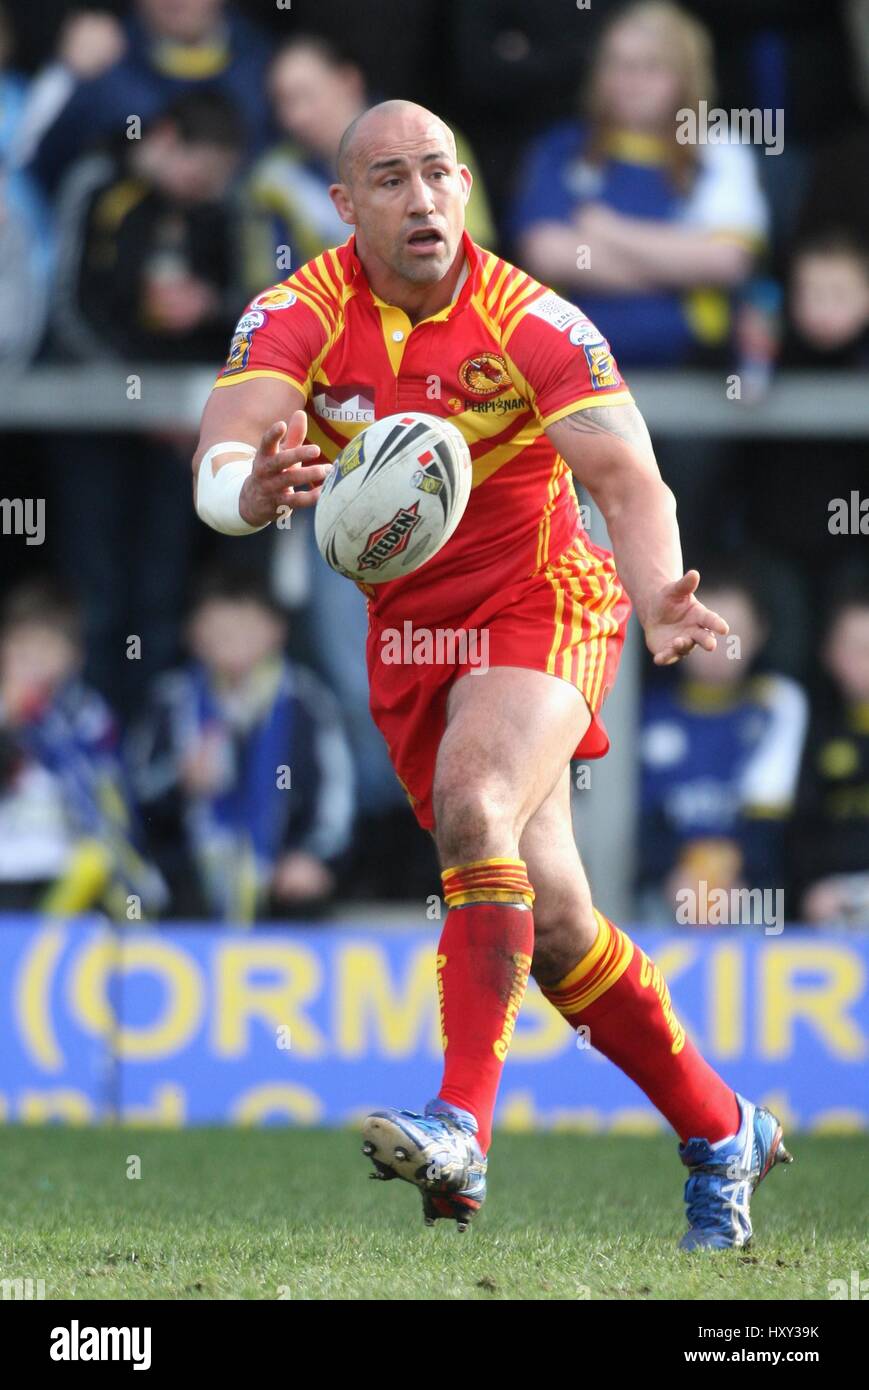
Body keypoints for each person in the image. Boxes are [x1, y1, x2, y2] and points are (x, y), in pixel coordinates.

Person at [191, 99, 792, 1249]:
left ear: (461, 186)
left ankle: (461, 1123)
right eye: (389, 180)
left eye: (437, 174)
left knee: (475, 802)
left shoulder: (531, 318)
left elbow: (628, 481)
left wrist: (658, 584)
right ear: (343, 205)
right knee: (555, 924)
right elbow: (227, 443)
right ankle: (724, 1130)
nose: (421, 199)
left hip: (542, 603)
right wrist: (246, 493)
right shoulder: (299, 310)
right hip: (413, 643)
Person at [509, 0, 768, 367]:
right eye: (618, 64)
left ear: (686, 76)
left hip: (692, 371)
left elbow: (727, 262)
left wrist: (608, 230)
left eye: (651, 67)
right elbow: (548, 256)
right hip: (576, 371)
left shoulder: (718, 150)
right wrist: (680, 269)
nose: (631, 82)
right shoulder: (561, 147)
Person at [128, 571, 354, 923]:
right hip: (192, 872)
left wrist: (313, 856)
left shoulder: (307, 702)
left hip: (279, 872)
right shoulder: (171, 701)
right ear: (193, 635)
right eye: (219, 632)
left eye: (246, 630)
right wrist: (180, 780)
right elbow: (133, 795)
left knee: (305, 890)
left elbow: (334, 799)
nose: (232, 642)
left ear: (277, 631)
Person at [639, 561, 808, 920]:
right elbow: (630, 821)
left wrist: (732, 878)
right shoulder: (639, 714)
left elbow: (774, 826)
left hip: (751, 891)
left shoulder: (777, 706)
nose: (715, 648)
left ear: (760, 633)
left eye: (731, 634)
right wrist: (672, 872)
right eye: (702, 632)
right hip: (657, 890)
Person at [0, 581, 165, 918]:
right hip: (7, 864)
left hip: (63, 860)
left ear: (75, 657)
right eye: (24, 649)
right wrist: (11, 724)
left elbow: (112, 795)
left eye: (47, 649)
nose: (34, 661)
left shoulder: (89, 717)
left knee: (99, 866)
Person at [788, 582, 869, 925]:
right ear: (830, 655)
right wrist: (810, 889)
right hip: (832, 898)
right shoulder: (809, 730)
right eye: (857, 648)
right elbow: (797, 829)